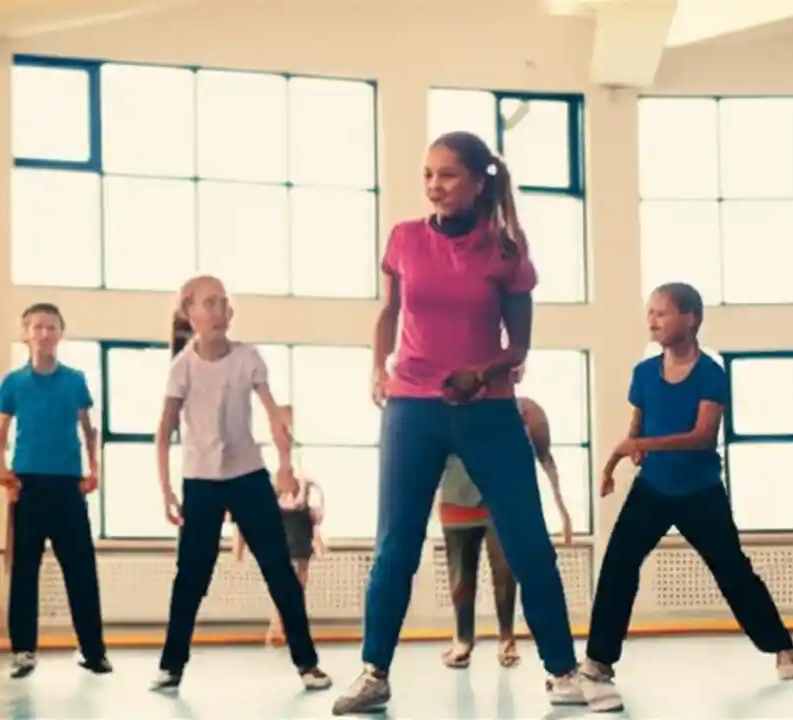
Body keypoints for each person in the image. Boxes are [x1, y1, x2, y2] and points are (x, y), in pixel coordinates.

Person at [332, 132, 582, 717]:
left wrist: (482, 371)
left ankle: (563, 671)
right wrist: (377, 367)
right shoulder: (404, 239)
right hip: (412, 406)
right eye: (427, 174)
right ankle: (374, 672)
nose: (434, 186)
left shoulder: (505, 250)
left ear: (477, 182)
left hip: (488, 406)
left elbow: (518, 344)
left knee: (527, 541)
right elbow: (390, 311)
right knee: (395, 544)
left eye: (447, 175)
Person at [580, 282, 793, 713]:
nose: (652, 321)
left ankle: (781, 647)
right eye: (650, 313)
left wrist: (642, 446)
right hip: (652, 491)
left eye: (661, 313)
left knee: (733, 572)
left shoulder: (710, 373)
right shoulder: (644, 373)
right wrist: (617, 462)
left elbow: (703, 438)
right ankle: (598, 661)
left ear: (691, 318)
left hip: (700, 493)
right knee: (618, 565)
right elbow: (636, 432)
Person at [151, 275, 332, 693]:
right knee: (191, 576)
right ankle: (171, 665)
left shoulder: (248, 357)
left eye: (222, 303)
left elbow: (275, 414)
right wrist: (166, 491)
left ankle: (307, 664)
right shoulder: (182, 367)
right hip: (200, 481)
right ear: (189, 313)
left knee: (278, 570)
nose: (217, 311)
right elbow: (164, 431)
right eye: (207, 304)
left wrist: (285, 464)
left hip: (248, 477)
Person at [0, 303, 109, 679]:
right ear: (26, 333)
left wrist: (94, 471)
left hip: (67, 486)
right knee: (24, 570)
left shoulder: (75, 380)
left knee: (81, 570)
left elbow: (89, 431)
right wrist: (1, 472)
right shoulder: (12, 383)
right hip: (29, 485)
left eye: (51, 327)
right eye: (37, 327)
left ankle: (93, 650)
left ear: (60, 333)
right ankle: (23, 651)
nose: (44, 334)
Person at [438, 368, 574, 670]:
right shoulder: (444, 407)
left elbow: (545, 458)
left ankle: (506, 639)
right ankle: (462, 639)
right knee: (461, 576)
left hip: (501, 505)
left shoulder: (526, 411)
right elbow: (426, 458)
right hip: (456, 503)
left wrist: (562, 509)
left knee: (506, 572)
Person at [231, 406, 327, 648]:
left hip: (299, 534)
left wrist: (317, 536)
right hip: (284, 535)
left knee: (298, 584)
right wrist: (239, 543)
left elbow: (312, 512)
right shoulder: (272, 476)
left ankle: (283, 626)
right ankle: (279, 626)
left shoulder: (300, 479)